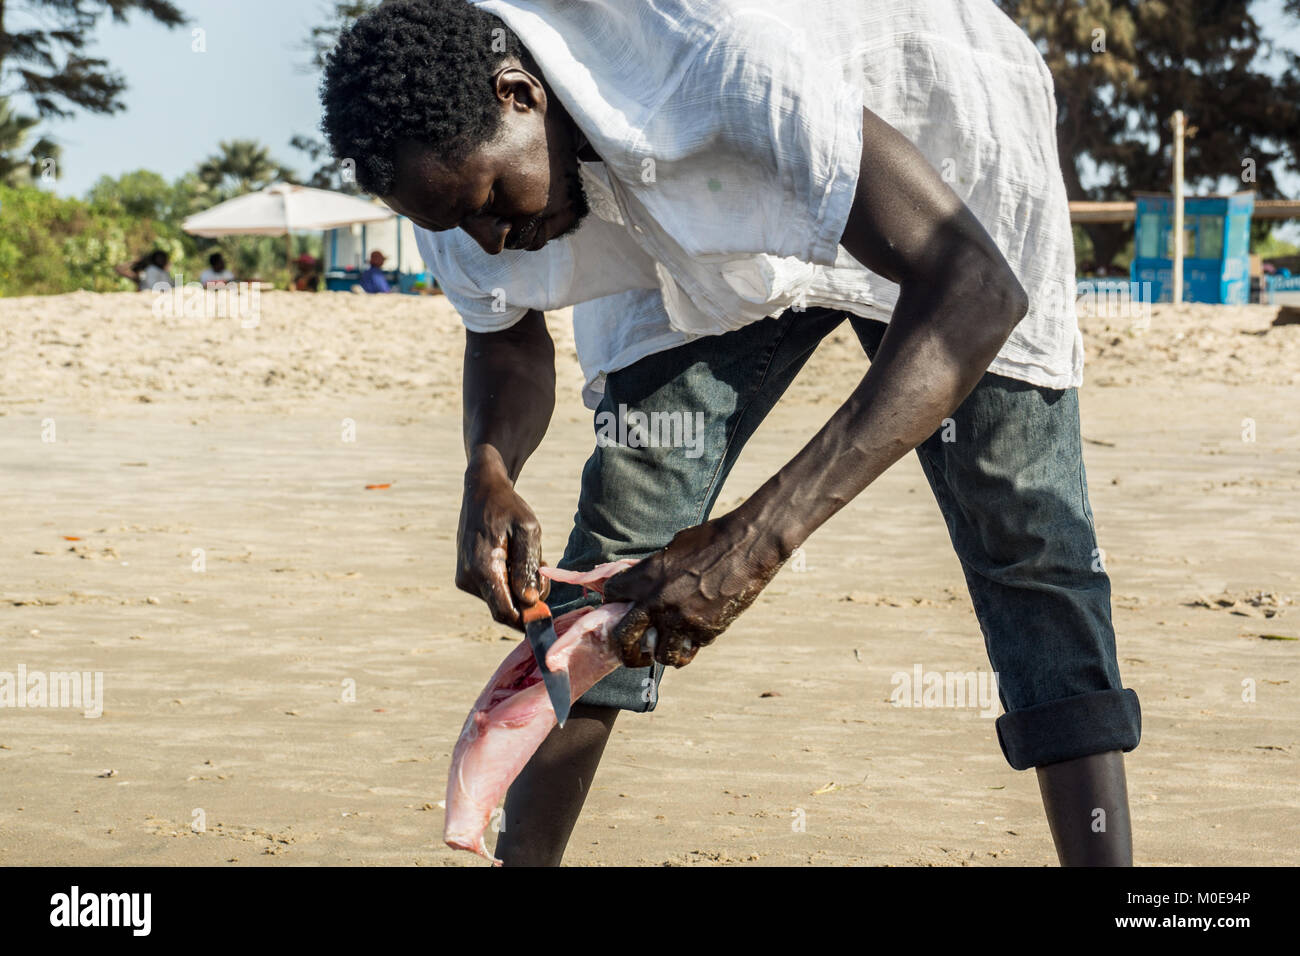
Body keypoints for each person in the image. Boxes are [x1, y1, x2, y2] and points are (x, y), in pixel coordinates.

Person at [321, 0, 1141, 867]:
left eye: (493, 199)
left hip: (936, 135)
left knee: (1026, 537)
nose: (490, 237)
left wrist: (754, 542)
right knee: (615, 559)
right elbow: (503, 331)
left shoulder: (724, 72)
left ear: (522, 94)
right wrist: (486, 468)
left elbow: (976, 291)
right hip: (690, 213)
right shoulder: (451, 178)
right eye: (460, 223)